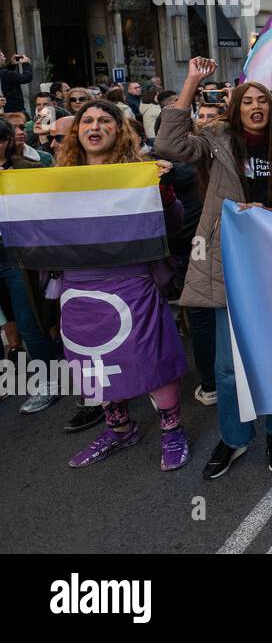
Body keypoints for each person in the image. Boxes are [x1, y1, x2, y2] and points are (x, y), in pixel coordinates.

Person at [154, 58, 272, 480]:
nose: (254, 106)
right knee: (229, 366)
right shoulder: (216, 140)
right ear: (236, 108)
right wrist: (191, 80)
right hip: (226, 260)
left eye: (260, 99)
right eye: (246, 100)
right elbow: (169, 147)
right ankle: (233, 438)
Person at [53, 100, 191, 470]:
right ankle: (119, 430)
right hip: (79, 284)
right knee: (93, 359)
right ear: (77, 131)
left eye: (104, 121)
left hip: (131, 280)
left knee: (151, 356)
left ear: (118, 130)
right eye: (87, 121)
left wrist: (163, 193)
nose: (94, 127)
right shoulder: (56, 177)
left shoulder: (139, 171)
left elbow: (173, 226)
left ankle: (173, 431)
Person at [0, 119, 55, 415]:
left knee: (27, 321)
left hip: (17, 255)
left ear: (9, 140)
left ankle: (49, 382)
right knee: (7, 323)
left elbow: (49, 213)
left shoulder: (28, 170)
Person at [0, 51, 32, 115]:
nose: (5, 58)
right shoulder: (5, 74)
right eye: (3, 56)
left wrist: (12, 65)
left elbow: (6, 78)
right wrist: (26, 64)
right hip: (14, 111)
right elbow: (27, 78)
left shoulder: (4, 73)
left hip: (7, 110)